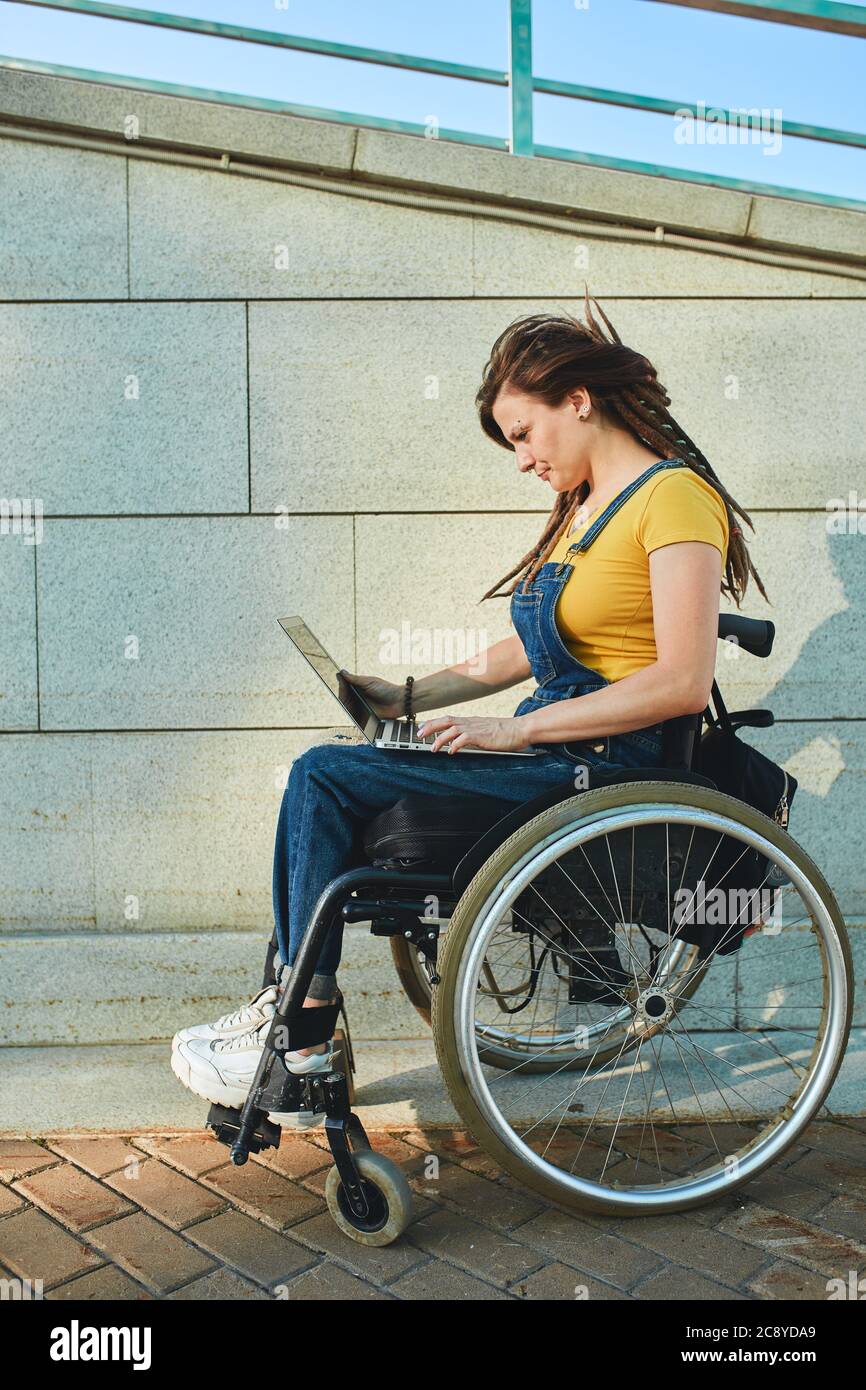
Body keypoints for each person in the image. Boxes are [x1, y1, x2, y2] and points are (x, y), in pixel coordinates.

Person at [170, 288, 766, 1124]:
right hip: (559, 753)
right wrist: (407, 694)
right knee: (341, 777)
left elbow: (679, 680)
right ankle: (297, 1025)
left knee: (324, 776)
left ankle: (296, 1030)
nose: (522, 458)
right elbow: (533, 648)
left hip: (602, 767)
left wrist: (514, 728)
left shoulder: (674, 499)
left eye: (524, 433)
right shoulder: (589, 511)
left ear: (579, 401)